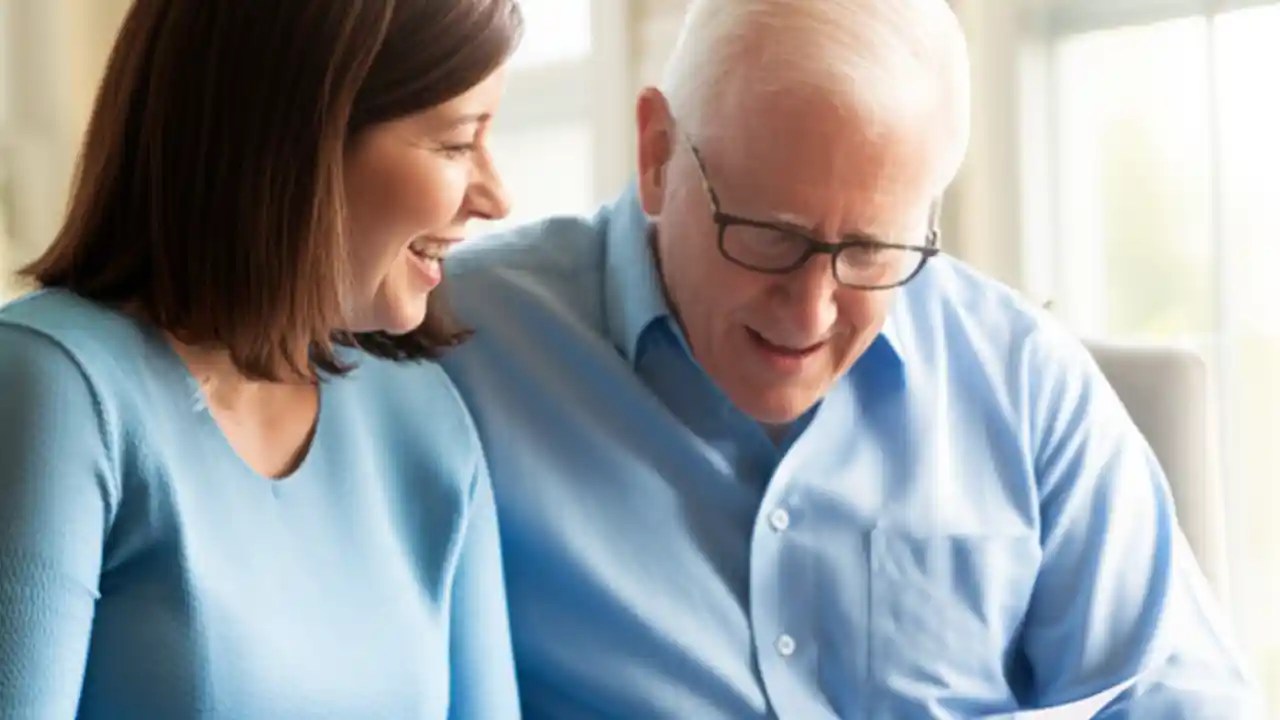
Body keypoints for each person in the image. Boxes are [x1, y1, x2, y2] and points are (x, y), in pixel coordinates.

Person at [439, 0, 1262, 716]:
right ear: (657, 153)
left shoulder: (1026, 384)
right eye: (767, 235)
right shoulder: (462, 345)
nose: (811, 311)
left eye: (870, 249)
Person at [0, 0, 521, 717]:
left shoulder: (424, 418)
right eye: (459, 144)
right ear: (297, 135)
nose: (497, 198)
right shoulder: (53, 389)